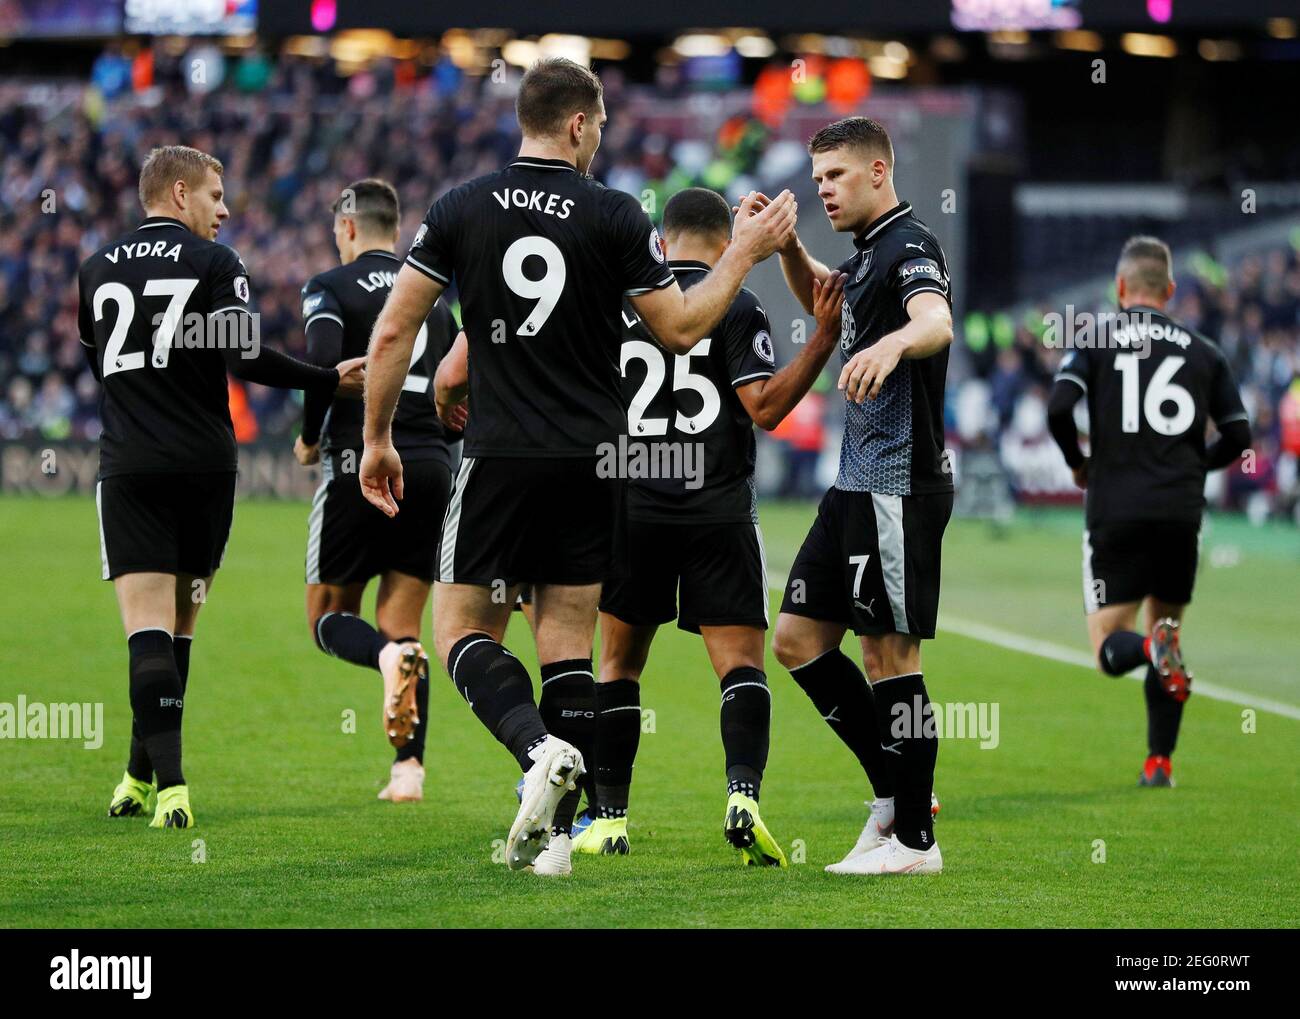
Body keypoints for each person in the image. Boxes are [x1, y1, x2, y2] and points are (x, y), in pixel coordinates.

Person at [362, 58, 796, 875]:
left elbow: (394, 335)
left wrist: (380, 434)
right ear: (575, 125)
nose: (601, 139)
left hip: (500, 456)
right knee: (566, 650)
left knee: (459, 630)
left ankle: (535, 751)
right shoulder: (614, 215)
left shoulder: (460, 207)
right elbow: (681, 327)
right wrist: (743, 253)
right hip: (593, 465)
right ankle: (558, 841)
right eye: (598, 126)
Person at [81, 145, 364, 828]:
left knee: (145, 628)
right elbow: (243, 355)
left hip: (131, 463)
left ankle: (158, 783)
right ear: (180, 194)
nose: (226, 209)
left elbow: (100, 364)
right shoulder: (215, 263)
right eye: (216, 195)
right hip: (204, 464)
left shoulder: (93, 269)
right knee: (179, 627)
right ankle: (145, 778)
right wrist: (326, 378)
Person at [570, 186, 845, 870]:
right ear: (729, 246)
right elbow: (766, 407)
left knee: (617, 666)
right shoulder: (737, 304)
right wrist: (823, 338)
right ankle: (743, 797)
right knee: (741, 666)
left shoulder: (626, 303)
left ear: (662, 243)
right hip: (716, 510)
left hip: (630, 510)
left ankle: (608, 818)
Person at [761, 116, 955, 875]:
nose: (824, 192)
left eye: (835, 178)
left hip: (897, 484)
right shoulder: (867, 254)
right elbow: (825, 296)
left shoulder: (911, 247)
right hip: (854, 484)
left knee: (889, 656)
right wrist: (784, 244)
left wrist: (894, 341)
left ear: (879, 171)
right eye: (816, 182)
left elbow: (934, 319)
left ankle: (915, 841)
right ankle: (893, 795)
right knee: (798, 640)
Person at [1047, 235, 1251, 787]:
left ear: (1120, 288)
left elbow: (1059, 407)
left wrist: (1078, 462)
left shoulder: (1095, 339)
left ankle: (1147, 647)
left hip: (1115, 507)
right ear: (1171, 290)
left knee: (1111, 648)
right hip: (1180, 512)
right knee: (1170, 634)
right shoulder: (1205, 350)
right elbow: (1239, 434)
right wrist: (1195, 467)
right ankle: (1159, 762)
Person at [293, 179, 462, 804]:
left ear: (346, 229)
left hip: (358, 461)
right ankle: (407, 770)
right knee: (404, 623)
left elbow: (321, 364)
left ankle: (384, 661)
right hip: (430, 465)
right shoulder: (433, 295)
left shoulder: (329, 288)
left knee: (328, 617)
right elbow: (454, 380)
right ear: (394, 227)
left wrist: (310, 437)